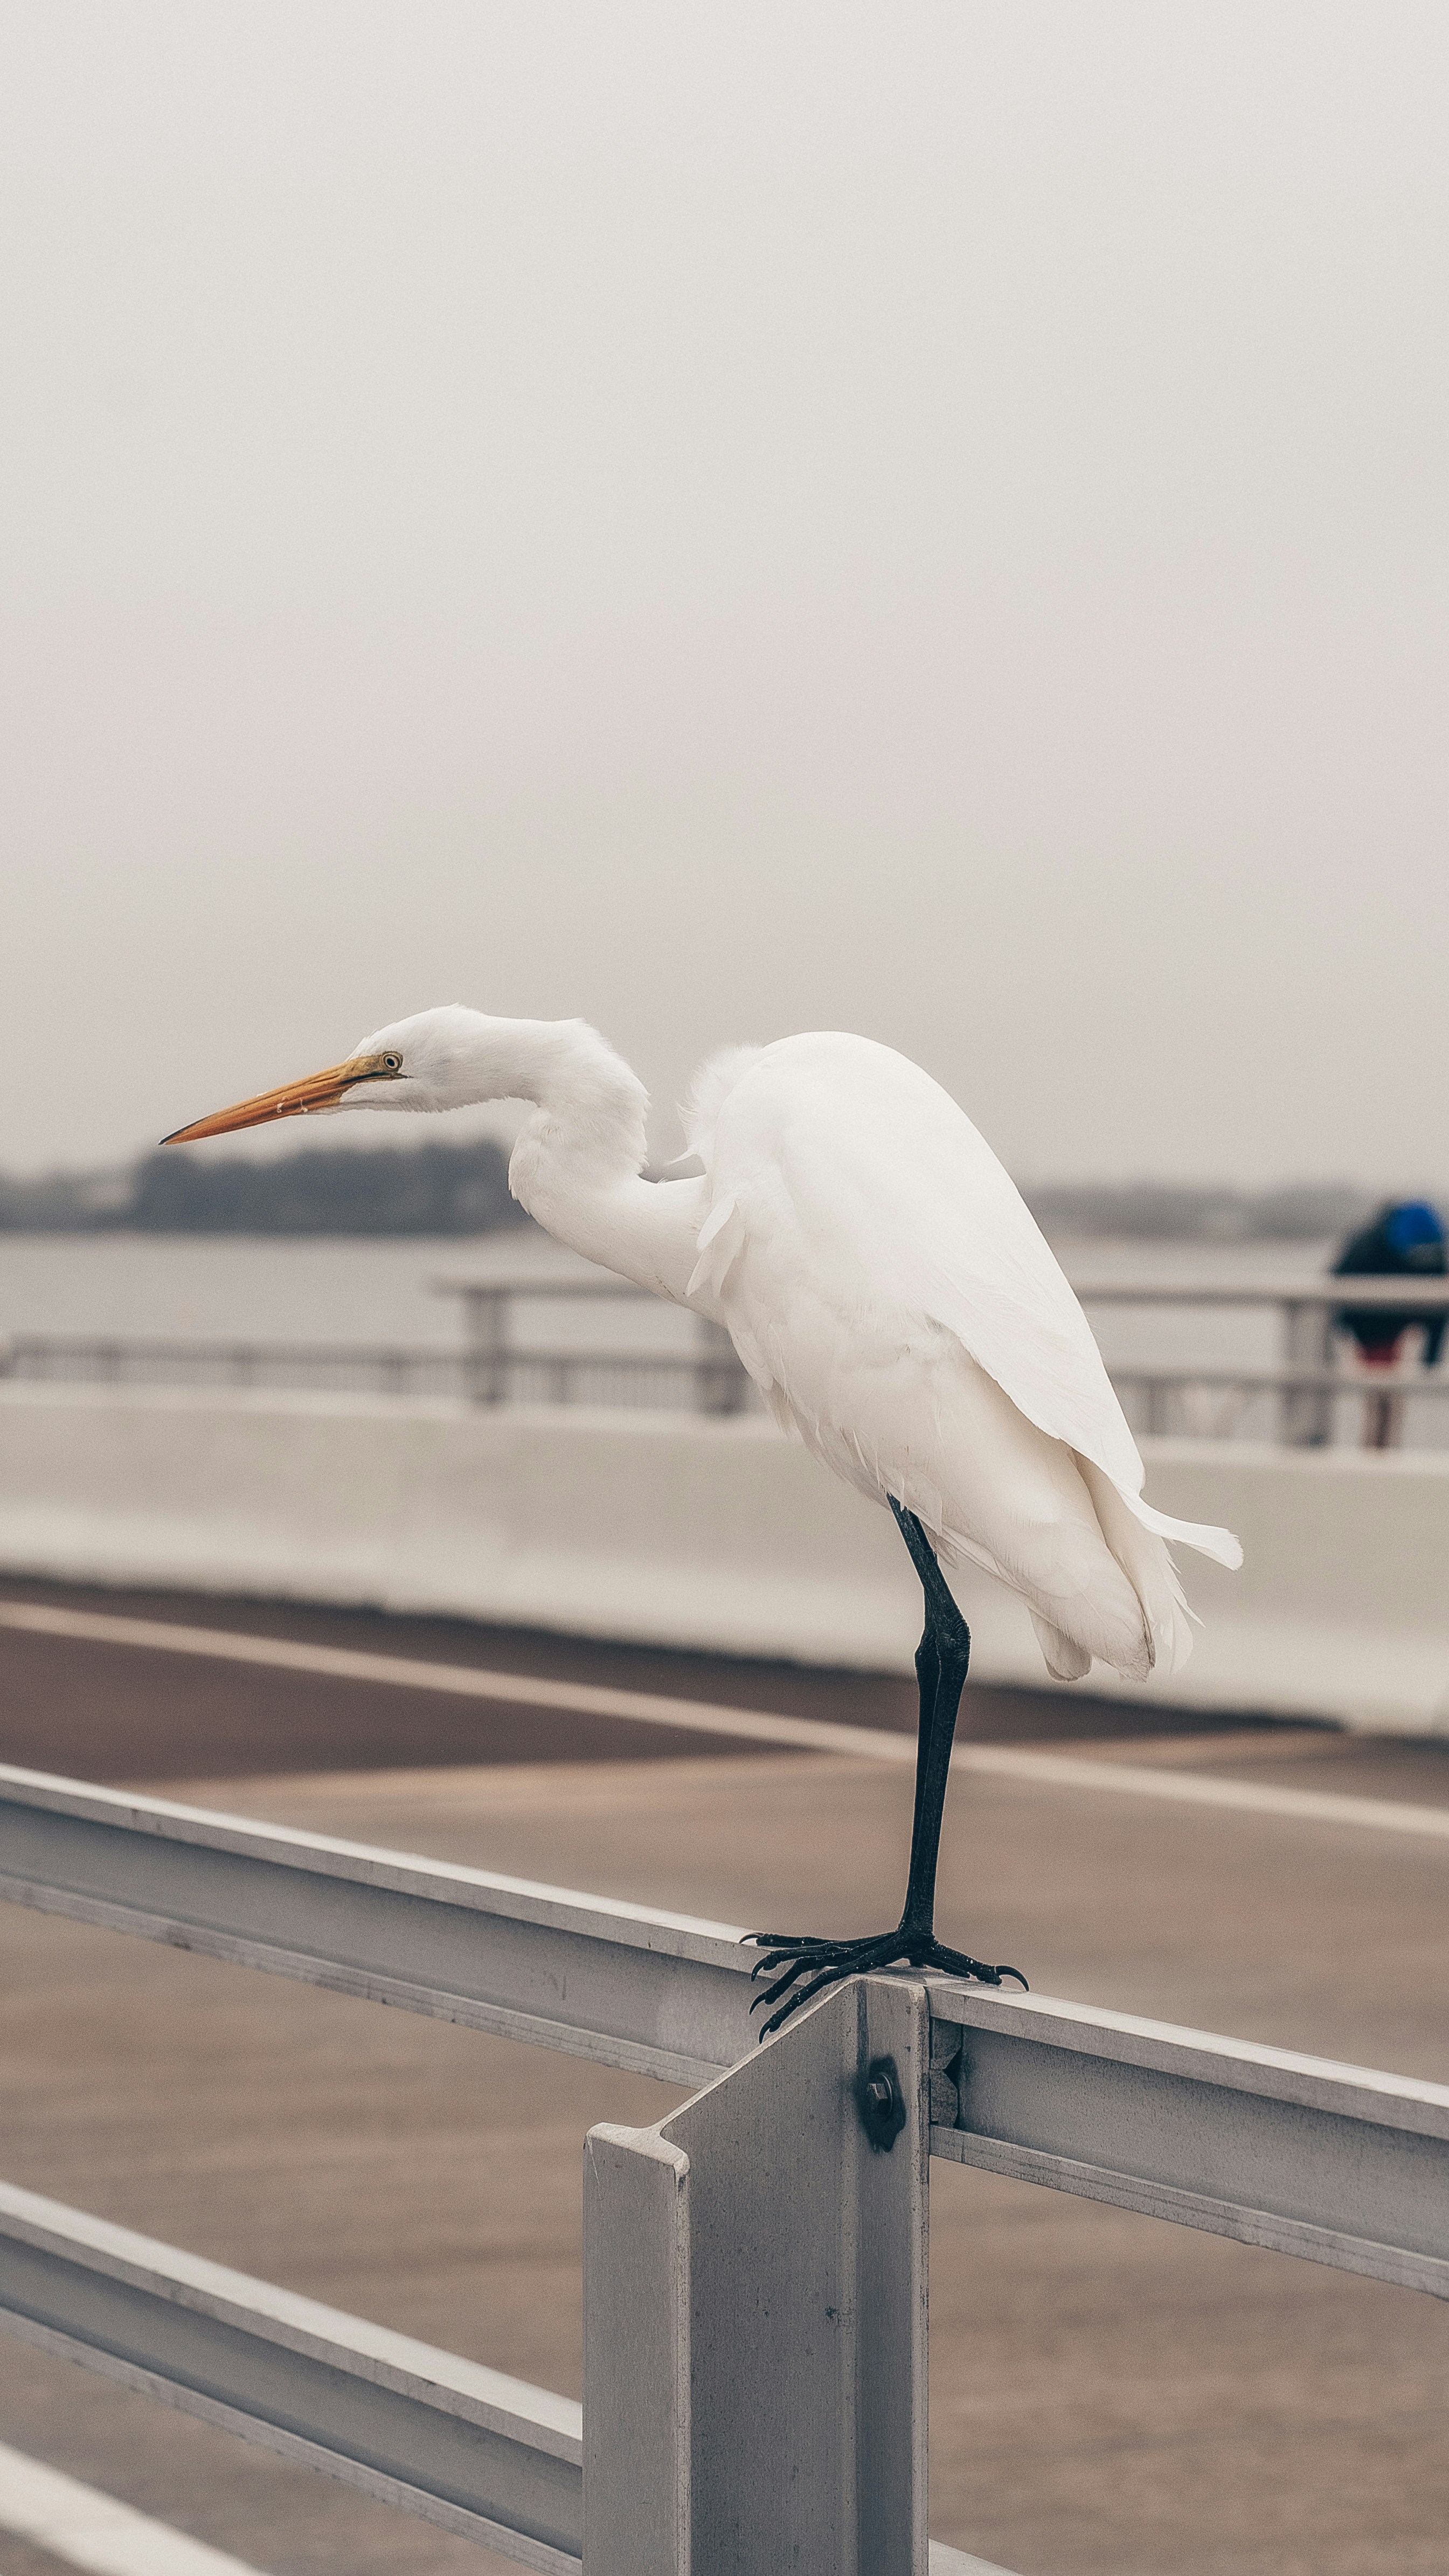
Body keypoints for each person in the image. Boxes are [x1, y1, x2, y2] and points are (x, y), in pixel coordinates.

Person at [1332, 1200, 1447, 1448]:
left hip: (1393, 1319)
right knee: (1383, 1392)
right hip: (1373, 1325)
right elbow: (1339, 1288)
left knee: (1385, 1393)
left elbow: (1439, 1303)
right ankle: (1378, 1448)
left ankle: (1379, 1448)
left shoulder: (1425, 1244)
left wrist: (1430, 1360)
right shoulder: (1368, 1248)